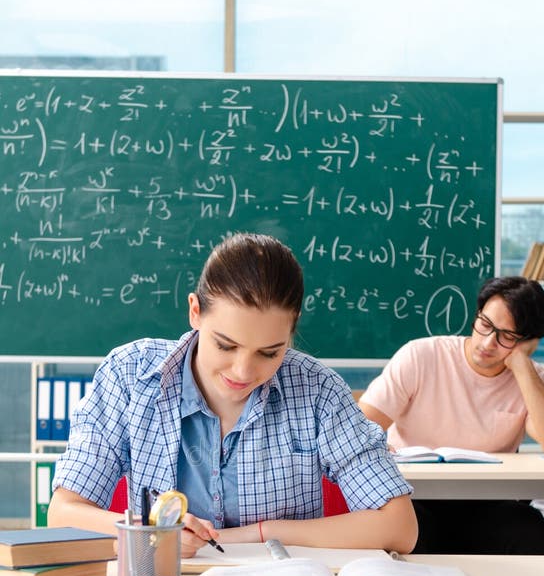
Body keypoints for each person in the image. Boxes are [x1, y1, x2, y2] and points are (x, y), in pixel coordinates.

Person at [48, 232, 417, 558]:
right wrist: (155, 536)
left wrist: (262, 533)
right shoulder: (128, 375)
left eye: (270, 352)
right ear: (195, 312)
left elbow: (400, 528)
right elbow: (63, 513)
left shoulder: (318, 390)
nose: (243, 372)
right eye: (225, 345)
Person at [358, 276, 544, 555]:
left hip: (487, 503)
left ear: (528, 342)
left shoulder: (535, 382)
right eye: (485, 325)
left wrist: (522, 366)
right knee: (398, 530)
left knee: (529, 529)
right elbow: (359, 428)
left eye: (507, 337)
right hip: (414, 497)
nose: (488, 343)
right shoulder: (421, 356)